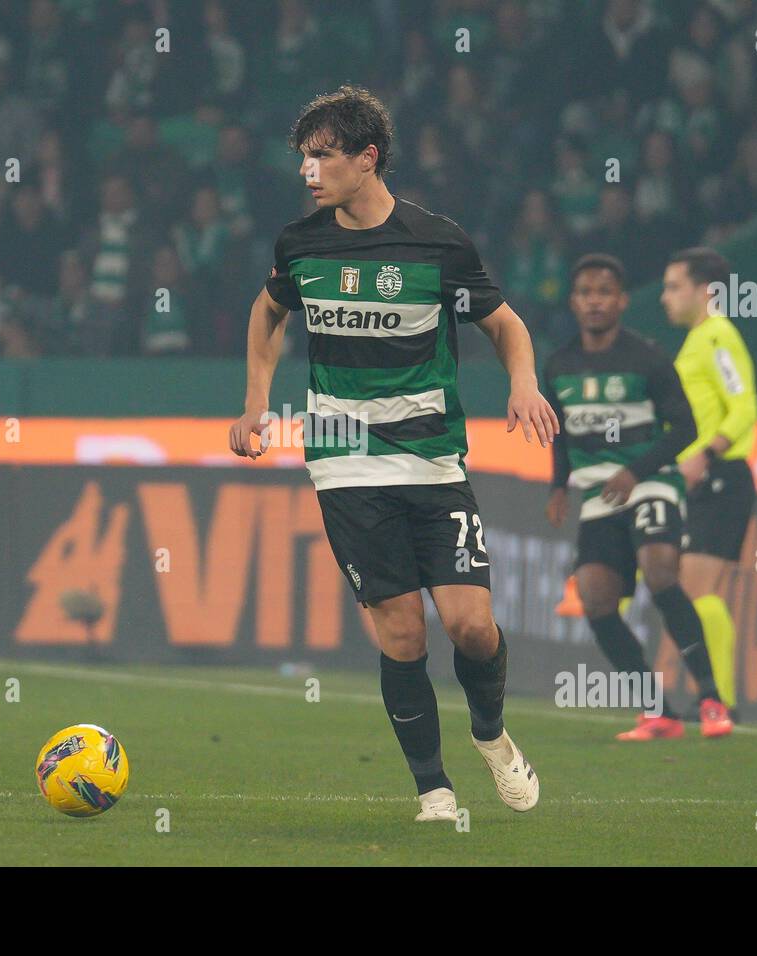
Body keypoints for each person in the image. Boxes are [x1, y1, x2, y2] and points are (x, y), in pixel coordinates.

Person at [228, 86, 558, 821]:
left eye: (322, 157)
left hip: (434, 459)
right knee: (404, 632)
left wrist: (525, 383)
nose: (308, 172)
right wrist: (256, 401)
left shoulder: (437, 242)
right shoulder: (301, 244)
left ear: (367, 158)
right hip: (345, 462)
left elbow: (504, 324)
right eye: (303, 159)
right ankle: (433, 789)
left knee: (471, 626)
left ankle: (493, 735)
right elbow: (268, 310)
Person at [544, 253, 732, 741]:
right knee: (595, 598)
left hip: (650, 481)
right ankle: (659, 712)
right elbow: (561, 434)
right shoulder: (559, 364)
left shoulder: (647, 357)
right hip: (598, 494)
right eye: (585, 292)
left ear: (623, 301)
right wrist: (558, 484)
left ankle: (711, 698)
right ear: (574, 301)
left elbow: (685, 427)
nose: (594, 301)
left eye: (604, 292)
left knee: (661, 572)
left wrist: (635, 471)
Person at [661, 247, 757, 720]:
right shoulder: (699, 340)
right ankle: (714, 698)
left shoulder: (718, 336)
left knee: (698, 591)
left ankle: (719, 699)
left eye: (675, 286)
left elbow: (745, 407)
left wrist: (705, 453)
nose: (665, 298)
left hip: (722, 477)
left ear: (705, 291)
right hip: (702, 481)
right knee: (689, 589)